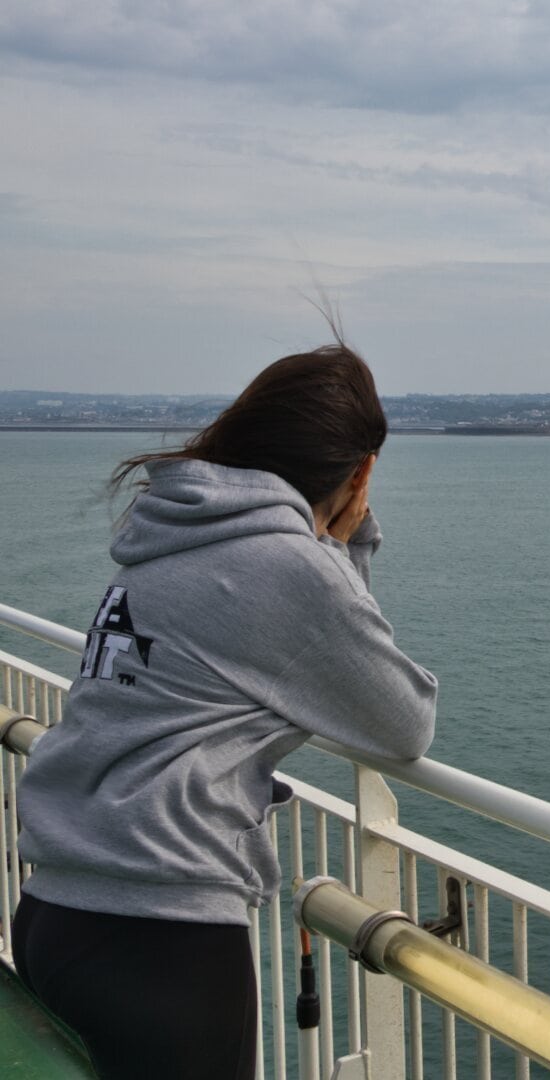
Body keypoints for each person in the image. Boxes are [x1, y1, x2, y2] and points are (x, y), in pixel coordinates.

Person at [10, 342, 438, 1079]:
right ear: (359, 471)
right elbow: (402, 722)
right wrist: (347, 543)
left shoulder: (166, 535)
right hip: (161, 941)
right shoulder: (288, 567)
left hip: (53, 910)